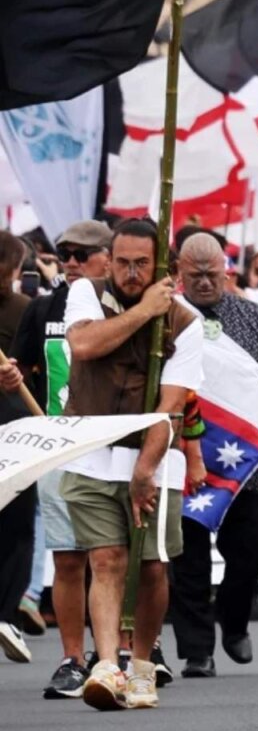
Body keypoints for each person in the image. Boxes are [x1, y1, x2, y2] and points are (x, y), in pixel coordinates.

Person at [62, 218, 206, 710]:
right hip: (90, 455)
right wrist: (144, 311)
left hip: (153, 460)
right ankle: (106, 665)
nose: (128, 271)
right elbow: (83, 345)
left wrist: (146, 469)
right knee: (105, 560)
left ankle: (141, 662)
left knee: (149, 570)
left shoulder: (185, 321)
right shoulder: (86, 292)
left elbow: (170, 407)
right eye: (120, 261)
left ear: (160, 263)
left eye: (141, 263)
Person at [167, 234, 258, 678]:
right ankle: (198, 651)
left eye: (210, 274)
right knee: (189, 559)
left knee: (255, 546)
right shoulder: (168, 318)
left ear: (227, 270)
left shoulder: (253, 317)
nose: (202, 283)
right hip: (184, 456)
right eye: (193, 275)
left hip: (245, 460)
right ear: (178, 273)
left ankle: (233, 621)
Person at [11, 220, 111, 697]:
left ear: (106, 258)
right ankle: (72, 658)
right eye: (64, 253)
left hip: (114, 445)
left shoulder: (123, 307)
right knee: (69, 559)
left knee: (115, 559)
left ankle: (126, 653)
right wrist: (15, 383)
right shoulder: (43, 309)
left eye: (82, 253)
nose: (70, 261)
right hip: (59, 447)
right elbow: (26, 368)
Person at [0, 231, 36, 665]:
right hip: (16, 431)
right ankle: (6, 610)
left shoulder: (26, 308)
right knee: (16, 528)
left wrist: (18, 375)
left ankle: (7, 611)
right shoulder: (25, 307)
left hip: (16, 427)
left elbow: (29, 366)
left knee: (17, 526)